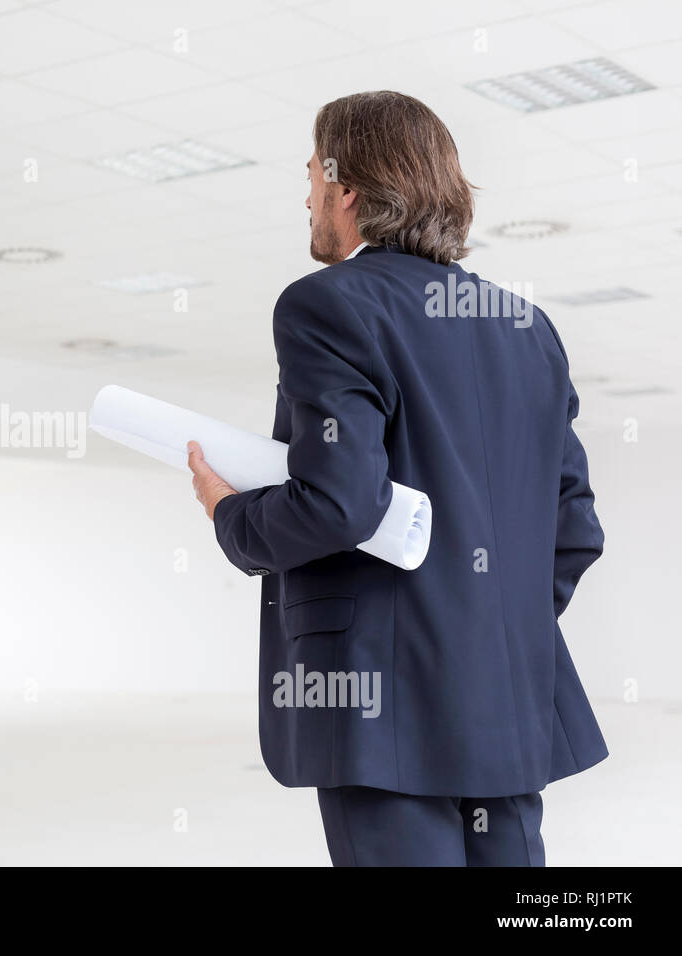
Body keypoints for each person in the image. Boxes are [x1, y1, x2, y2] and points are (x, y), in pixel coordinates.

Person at [186, 90, 607, 867]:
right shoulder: (529, 328)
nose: (305, 193)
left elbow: (342, 501)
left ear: (347, 189)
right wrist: (485, 620)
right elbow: (574, 529)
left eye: (311, 174)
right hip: (507, 700)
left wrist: (230, 514)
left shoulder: (327, 306)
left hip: (383, 709)